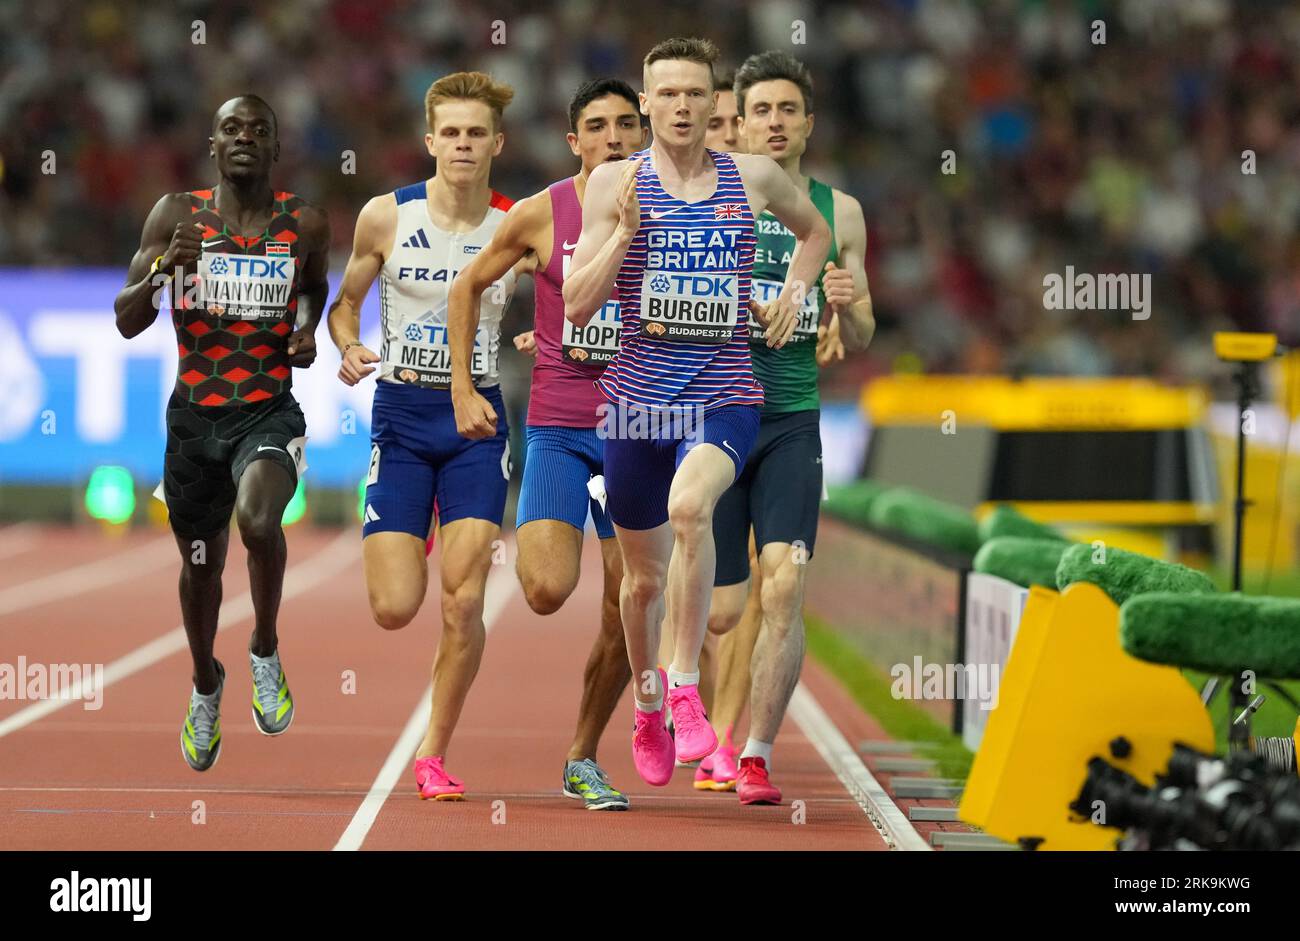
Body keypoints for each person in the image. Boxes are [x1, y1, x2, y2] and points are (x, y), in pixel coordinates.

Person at [563, 37, 832, 788]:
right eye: (668, 95)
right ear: (646, 103)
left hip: (725, 395)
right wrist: (621, 232)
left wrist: (795, 294)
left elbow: (814, 233)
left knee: (692, 509)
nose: (682, 107)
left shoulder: (752, 176)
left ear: (715, 105)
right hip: (635, 404)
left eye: (695, 95)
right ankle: (647, 701)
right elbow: (579, 304)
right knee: (641, 583)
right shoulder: (614, 181)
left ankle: (684, 684)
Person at [448, 78, 648, 810]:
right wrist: (466, 386)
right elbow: (467, 285)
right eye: (598, 125)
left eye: (628, 123)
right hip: (562, 430)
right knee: (543, 588)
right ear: (576, 141)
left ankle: (582, 754)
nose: (615, 136)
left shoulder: (672, 209)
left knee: (632, 600)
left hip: (641, 430)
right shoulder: (543, 213)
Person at [114, 95, 330, 772]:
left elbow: (315, 289)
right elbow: (124, 320)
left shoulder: (305, 221)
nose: (244, 138)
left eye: (257, 130)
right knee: (200, 569)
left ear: (274, 147)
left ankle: (264, 648)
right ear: (213, 145)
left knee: (259, 520)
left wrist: (306, 332)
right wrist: (158, 272)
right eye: (231, 129)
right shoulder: (176, 215)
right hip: (193, 420)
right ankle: (206, 683)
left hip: (266, 409)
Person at [327, 72, 517, 801]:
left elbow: (577, 289)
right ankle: (416, 525)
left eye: (478, 134)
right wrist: (347, 344)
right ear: (430, 139)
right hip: (403, 421)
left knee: (462, 602)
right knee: (394, 606)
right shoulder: (386, 216)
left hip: (477, 425)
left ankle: (433, 752)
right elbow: (345, 307)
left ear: (497, 143)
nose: (464, 145)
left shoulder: (518, 222)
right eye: (453, 133)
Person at [709, 50, 876, 804]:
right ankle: (682, 708)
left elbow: (864, 328)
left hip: (791, 422)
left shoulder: (839, 212)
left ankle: (755, 753)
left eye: (787, 110)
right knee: (720, 611)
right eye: (760, 112)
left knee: (787, 582)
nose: (774, 123)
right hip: (714, 415)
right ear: (737, 122)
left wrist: (849, 302)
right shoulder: (710, 194)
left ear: (808, 122)